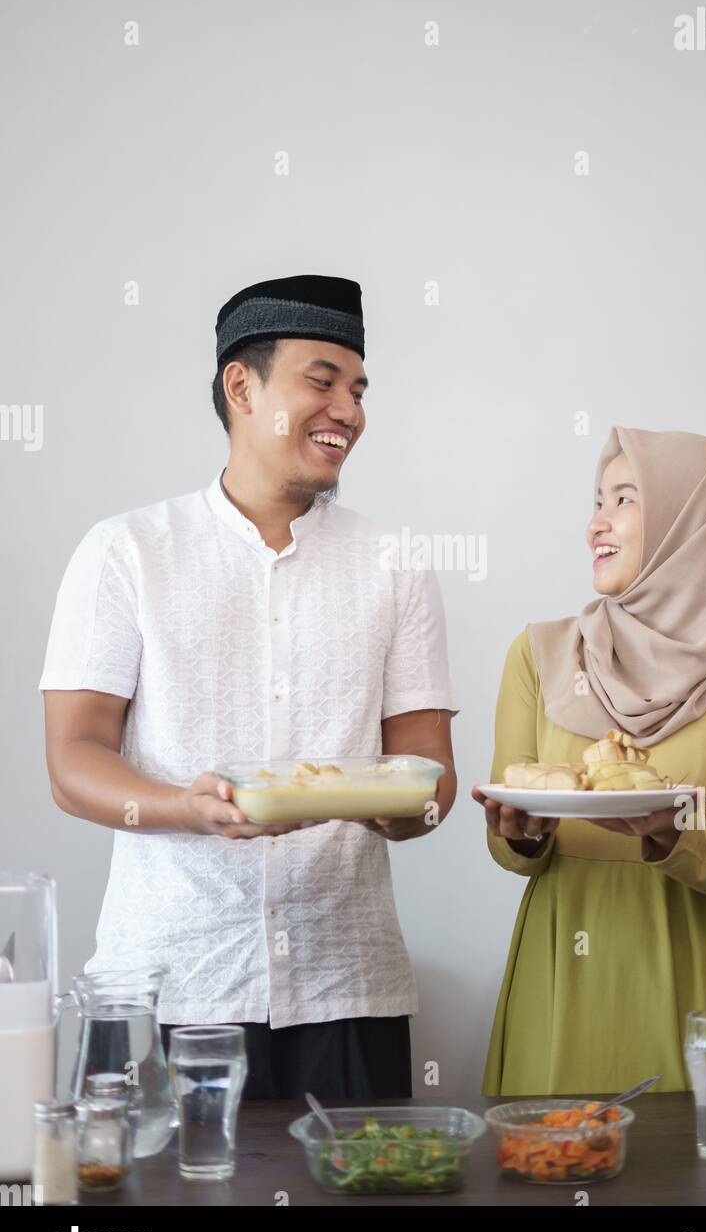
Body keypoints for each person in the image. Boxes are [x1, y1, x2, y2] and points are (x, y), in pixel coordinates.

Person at [40, 274, 458, 1100]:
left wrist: (398, 801)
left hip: (348, 990)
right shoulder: (126, 552)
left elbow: (429, 779)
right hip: (166, 987)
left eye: (360, 388)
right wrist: (186, 807)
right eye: (322, 381)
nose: (350, 410)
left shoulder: (396, 565)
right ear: (242, 386)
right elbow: (73, 759)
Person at [474, 425, 706, 1093]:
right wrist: (517, 838)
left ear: (696, 523)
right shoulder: (538, 656)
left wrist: (674, 834)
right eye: (596, 501)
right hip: (565, 985)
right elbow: (512, 847)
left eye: (625, 500)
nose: (595, 526)